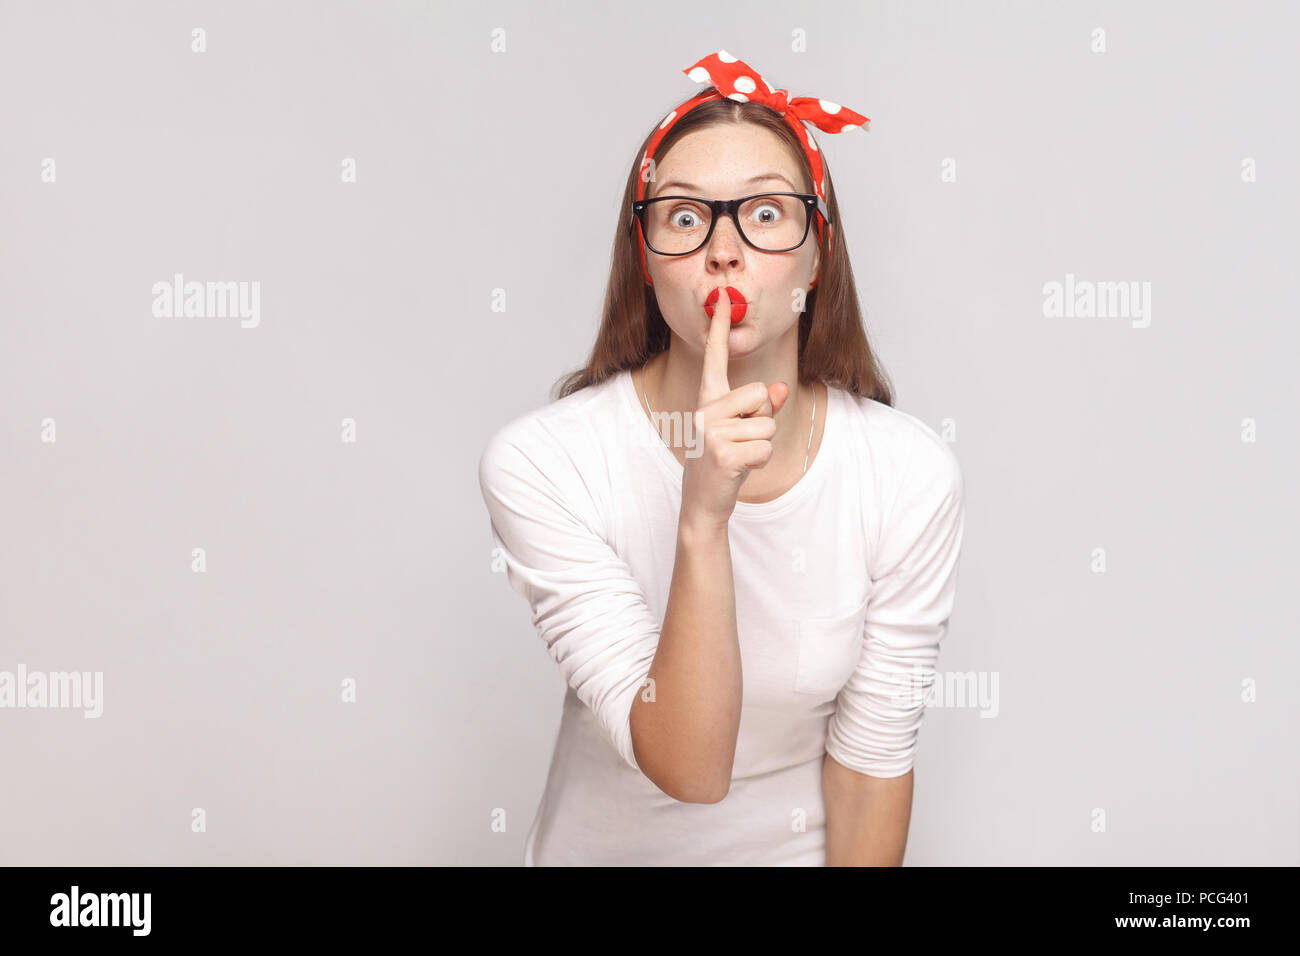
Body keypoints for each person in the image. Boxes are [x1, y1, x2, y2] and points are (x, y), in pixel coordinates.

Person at [477, 51, 966, 865]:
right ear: (644, 256)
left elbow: (870, 769)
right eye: (685, 217)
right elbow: (690, 765)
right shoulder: (544, 462)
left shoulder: (908, 475)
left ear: (820, 256)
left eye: (767, 215)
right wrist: (702, 518)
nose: (725, 251)